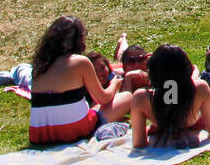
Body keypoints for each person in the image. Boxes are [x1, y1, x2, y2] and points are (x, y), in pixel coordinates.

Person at [29, 16, 133, 144]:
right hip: (74, 131)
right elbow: (103, 98)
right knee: (127, 97)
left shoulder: (40, 65)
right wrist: (114, 85)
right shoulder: (80, 62)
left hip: (39, 133)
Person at [130, 45, 210, 149]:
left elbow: (138, 143)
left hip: (161, 123)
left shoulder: (141, 98)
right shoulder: (200, 88)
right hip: (189, 119)